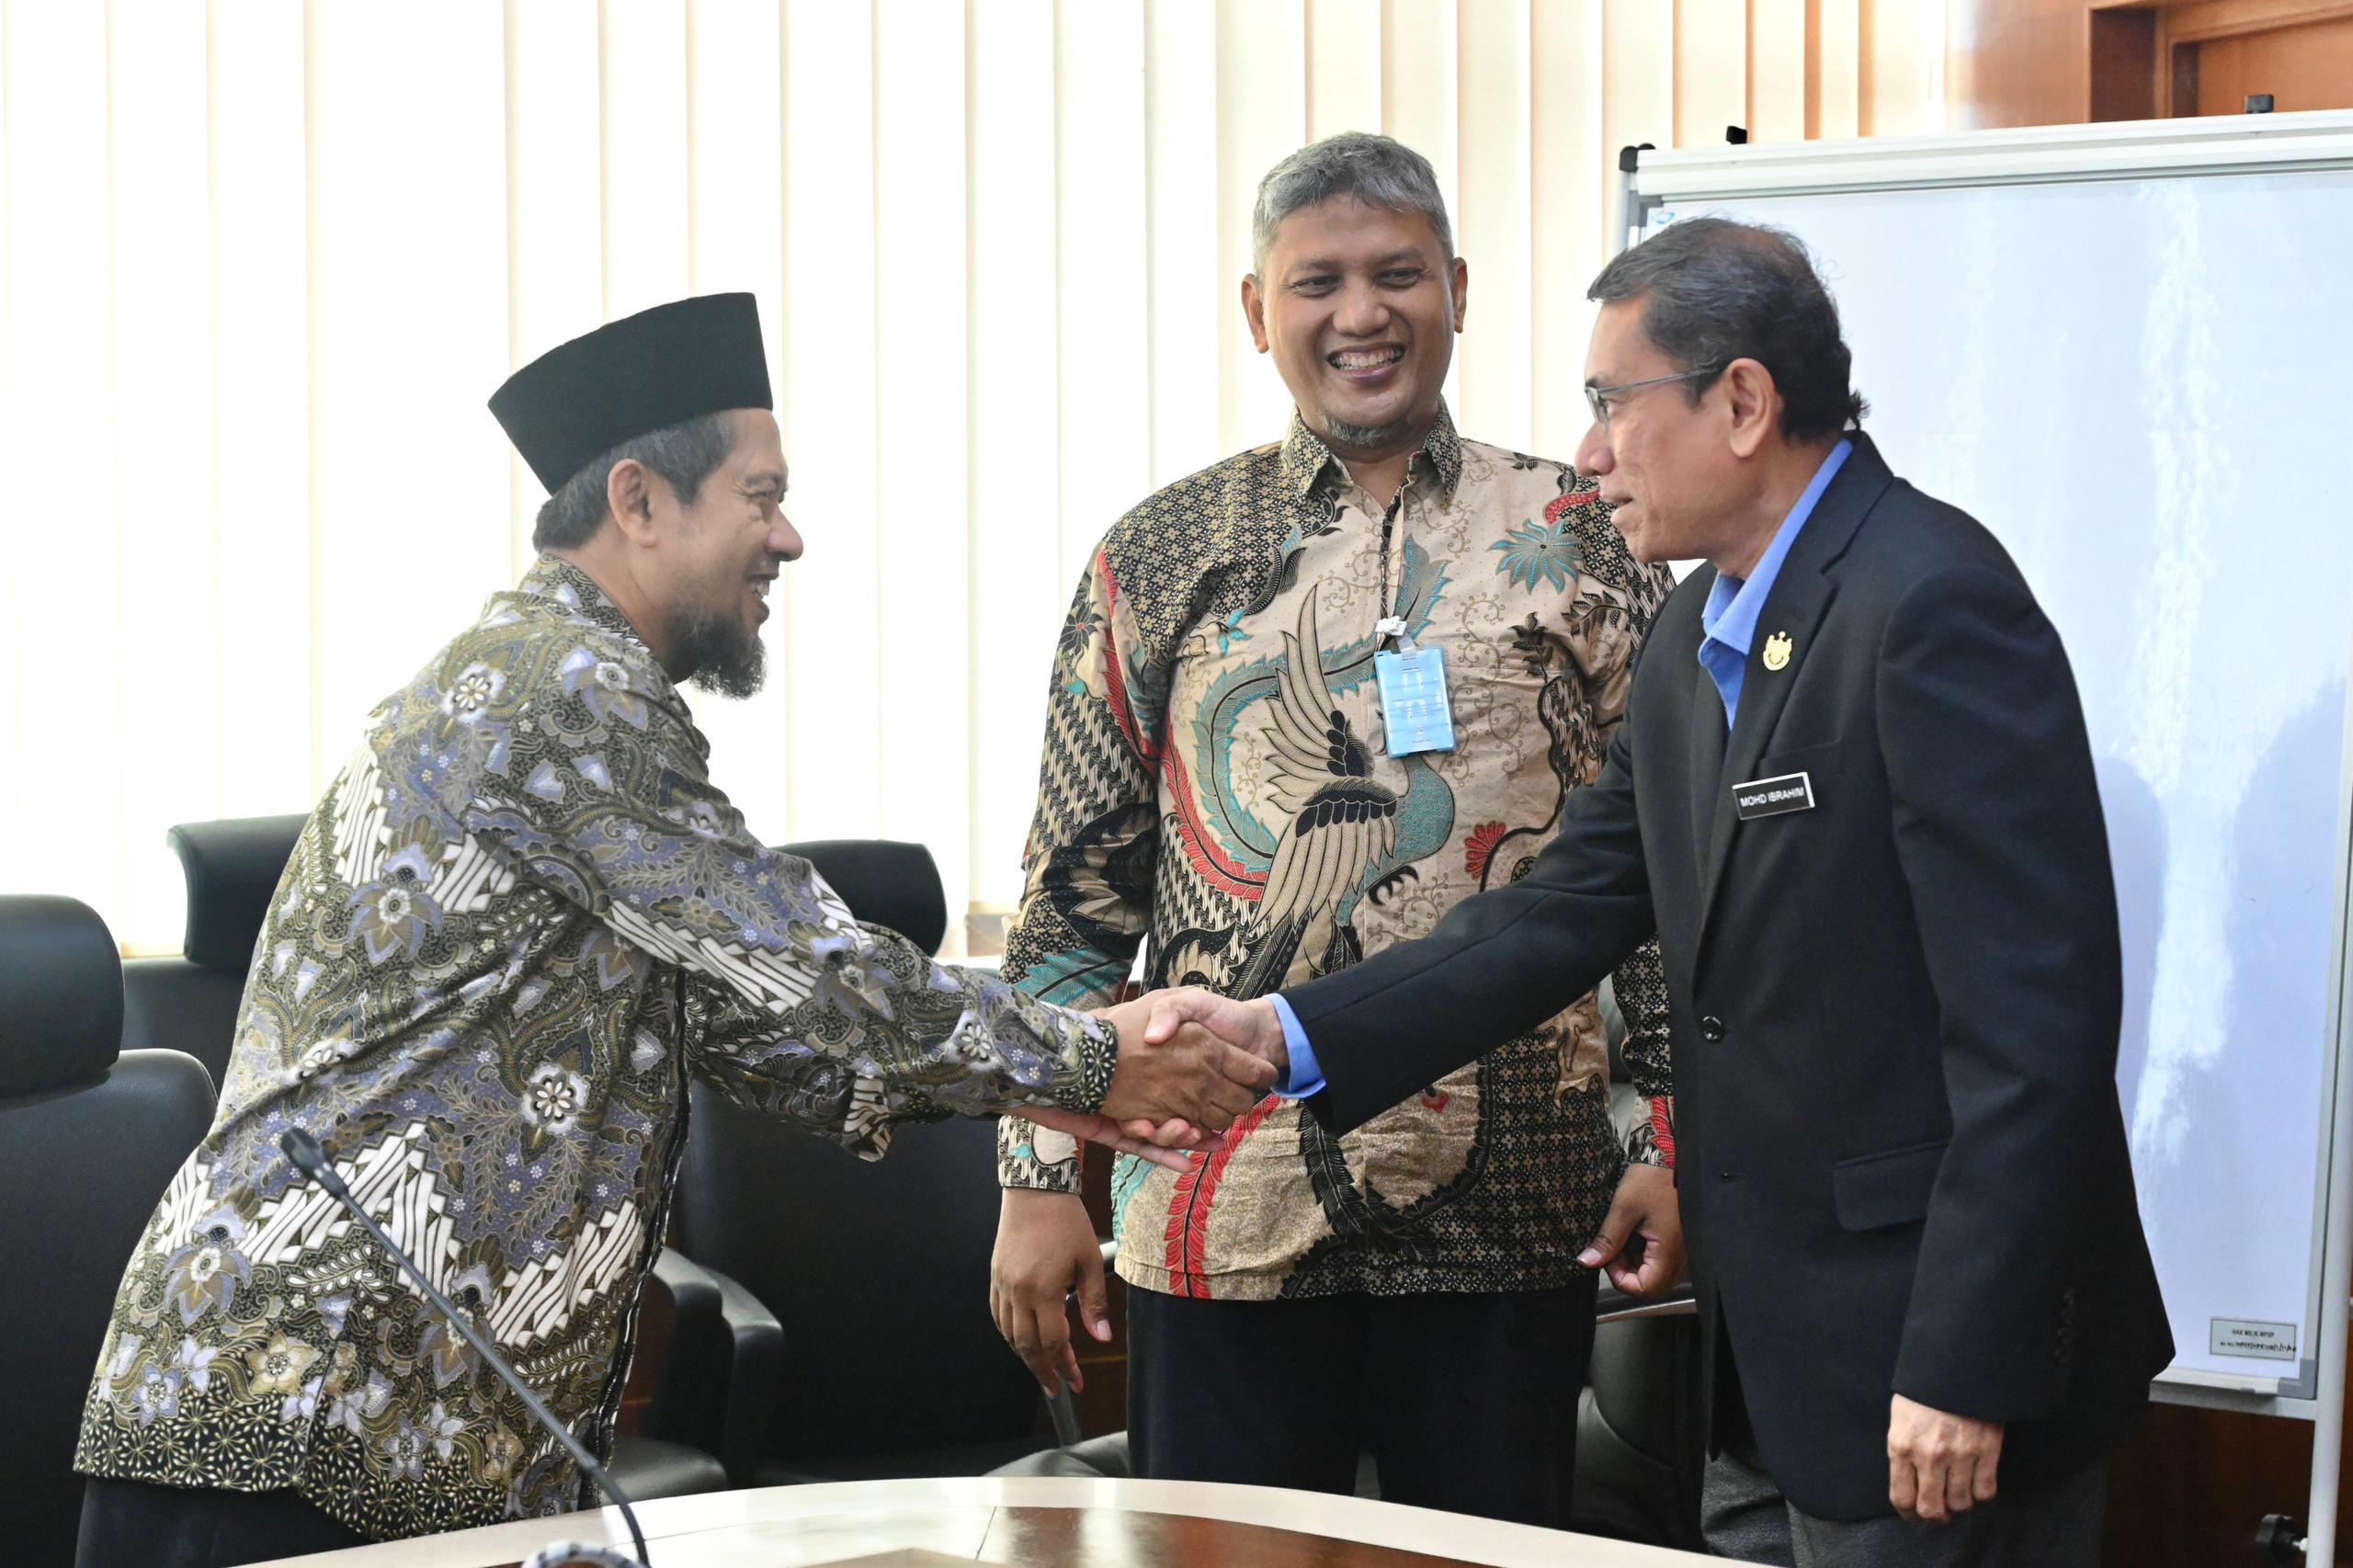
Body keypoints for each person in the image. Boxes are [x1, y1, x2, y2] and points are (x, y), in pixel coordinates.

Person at [72, 292, 1273, 1567]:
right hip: (300, 1419)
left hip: (381, 1435)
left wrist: (1081, 1078)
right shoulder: (557, 688)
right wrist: (1091, 1059)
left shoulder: (559, 681)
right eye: (762, 495)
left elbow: (763, 1038)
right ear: (639, 502)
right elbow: (810, 969)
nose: (790, 537)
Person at [1145, 219, 2172, 1565]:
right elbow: (1552, 913)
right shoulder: (1696, 635)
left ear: (1741, 402)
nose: (1585, 453)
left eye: (1609, 404)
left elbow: (2032, 1037)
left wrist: (1964, 1363)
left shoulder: (1928, 606)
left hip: (1935, 1379)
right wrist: (1288, 1034)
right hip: (1771, 1382)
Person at [985, 132, 1679, 1528]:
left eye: (1397, 275)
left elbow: (1662, 872)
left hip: (1515, 1212)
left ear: (1460, 291)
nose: (1361, 314)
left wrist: (1671, 1128)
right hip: (1223, 1216)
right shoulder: (1162, 552)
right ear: (1260, 311)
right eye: (1319, 282)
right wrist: (1039, 1172)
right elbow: (1072, 901)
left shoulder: (1589, 531)